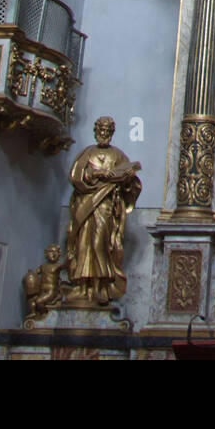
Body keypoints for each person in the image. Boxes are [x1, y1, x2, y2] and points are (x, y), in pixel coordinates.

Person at [65, 117, 142, 306]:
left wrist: (128, 178)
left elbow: (129, 185)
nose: (104, 133)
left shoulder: (118, 156)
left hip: (106, 206)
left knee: (100, 245)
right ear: (96, 131)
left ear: (112, 132)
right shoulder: (87, 153)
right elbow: (76, 177)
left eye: (107, 130)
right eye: (101, 129)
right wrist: (99, 174)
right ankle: (81, 287)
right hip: (86, 203)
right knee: (83, 245)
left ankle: (100, 287)